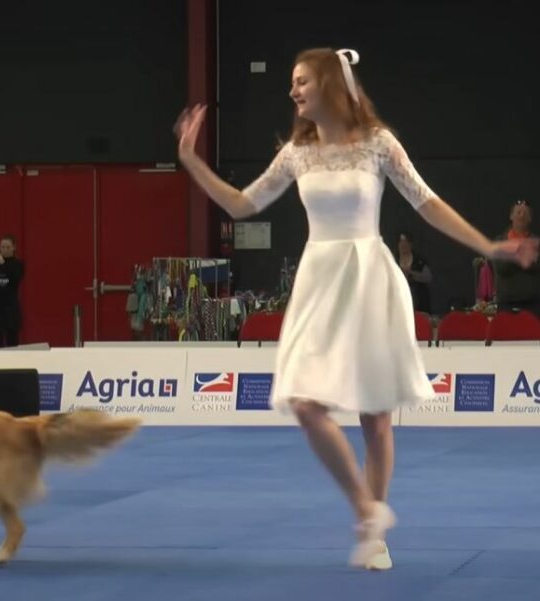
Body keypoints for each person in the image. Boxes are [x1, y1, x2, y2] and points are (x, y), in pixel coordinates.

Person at [174, 47, 538, 570]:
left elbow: (427, 202)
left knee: (376, 417)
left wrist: (487, 244)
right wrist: (190, 160)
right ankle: (367, 510)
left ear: (330, 84)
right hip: (319, 280)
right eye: (291, 83)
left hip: (369, 277)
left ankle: (374, 536)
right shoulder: (296, 154)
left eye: (301, 81)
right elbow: (240, 204)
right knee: (304, 403)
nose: (293, 91)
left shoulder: (378, 144)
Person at [492, 200, 540, 315]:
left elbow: (537, 267)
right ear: (511, 216)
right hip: (506, 305)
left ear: (530, 219)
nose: (522, 215)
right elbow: (501, 268)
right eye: (518, 212)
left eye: (525, 213)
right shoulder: (500, 242)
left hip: (532, 305)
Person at [0, 235, 24, 347]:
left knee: (12, 340)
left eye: (8, 247)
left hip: (10, 307)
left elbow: (14, 277)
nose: (5, 249)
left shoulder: (18, 264)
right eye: (2, 247)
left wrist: (2, 262)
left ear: (14, 247)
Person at [396, 232, 432, 313]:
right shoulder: (393, 262)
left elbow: (428, 277)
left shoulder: (419, 262)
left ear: (411, 244)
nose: (403, 245)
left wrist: (411, 273)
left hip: (418, 303)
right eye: (401, 242)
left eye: (406, 242)